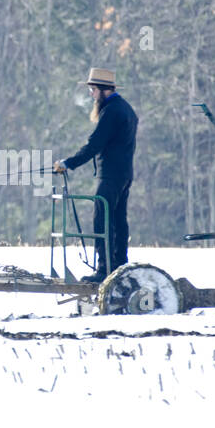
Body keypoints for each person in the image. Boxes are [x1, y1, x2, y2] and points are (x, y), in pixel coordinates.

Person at [53, 67, 137, 283]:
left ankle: (105, 270)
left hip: (111, 176)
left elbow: (94, 144)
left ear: (103, 90)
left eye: (92, 90)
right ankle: (119, 264)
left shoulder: (111, 111)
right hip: (124, 175)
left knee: (102, 220)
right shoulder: (126, 109)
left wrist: (68, 163)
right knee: (118, 219)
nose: (91, 94)